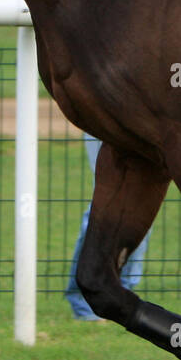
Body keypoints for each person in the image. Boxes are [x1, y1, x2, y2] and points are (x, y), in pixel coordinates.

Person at [66, 133, 151, 321]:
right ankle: (86, 303)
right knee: (108, 206)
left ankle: (121, 297)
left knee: (139, 205)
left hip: (144, 118)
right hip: (109, 115)